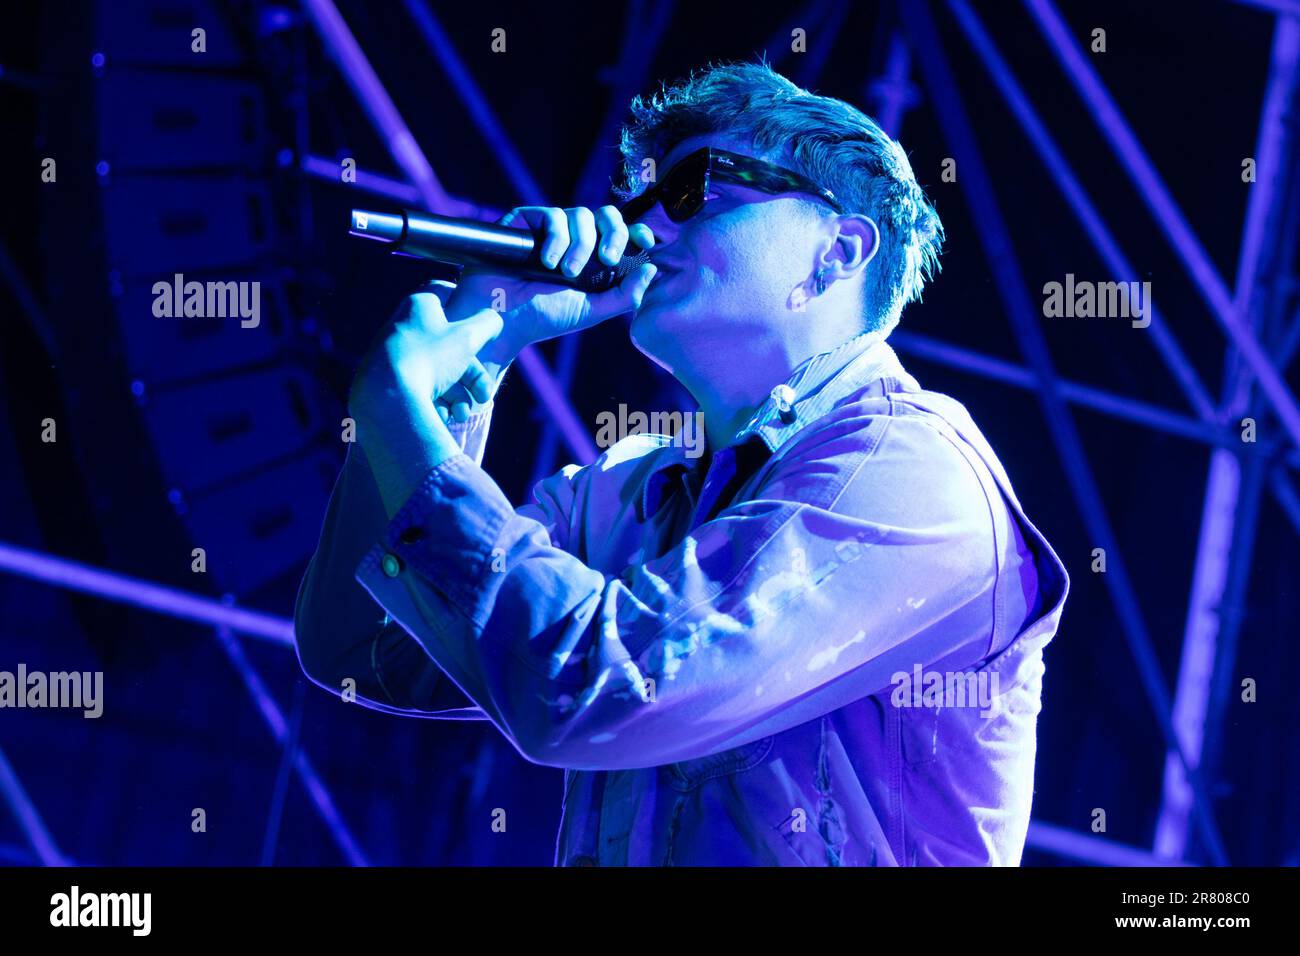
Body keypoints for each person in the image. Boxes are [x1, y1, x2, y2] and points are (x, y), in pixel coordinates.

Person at [294, 61, 1069, 866]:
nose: (647, 228)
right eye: (641, 201)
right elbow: (363, 654)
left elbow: (602, 689)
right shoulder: (632, 491)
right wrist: (464, 381)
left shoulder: (910, 469)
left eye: (695, 190)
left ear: (838, 251)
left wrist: (399, 419)